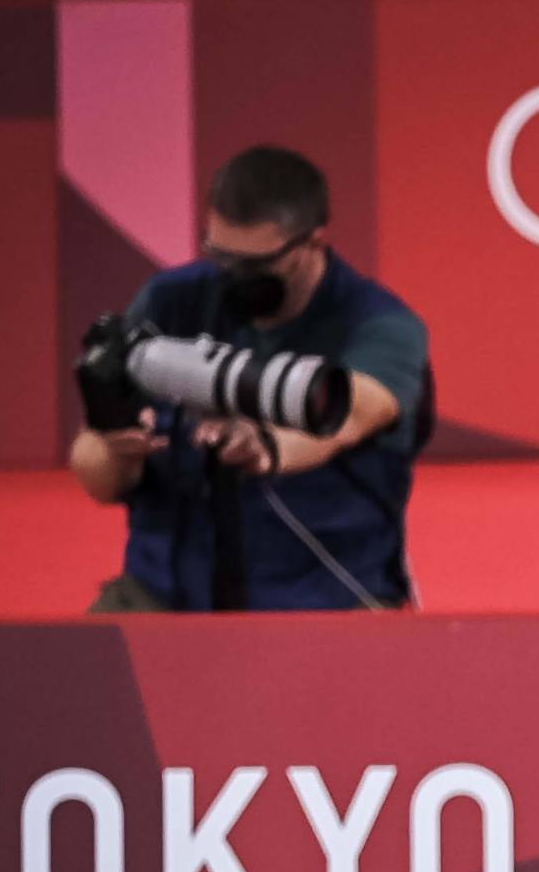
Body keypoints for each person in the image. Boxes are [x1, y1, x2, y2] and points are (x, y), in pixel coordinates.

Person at [69, 146, 431, 611]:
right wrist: (112, 448)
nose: (234, 277)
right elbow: (98, 475)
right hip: (160, 595)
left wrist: (265, 446)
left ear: (313, 243)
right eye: (221, 256)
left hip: (326, 600)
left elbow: (350, 414)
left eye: (258, 266)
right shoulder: (169, 300)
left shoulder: (380, 324)